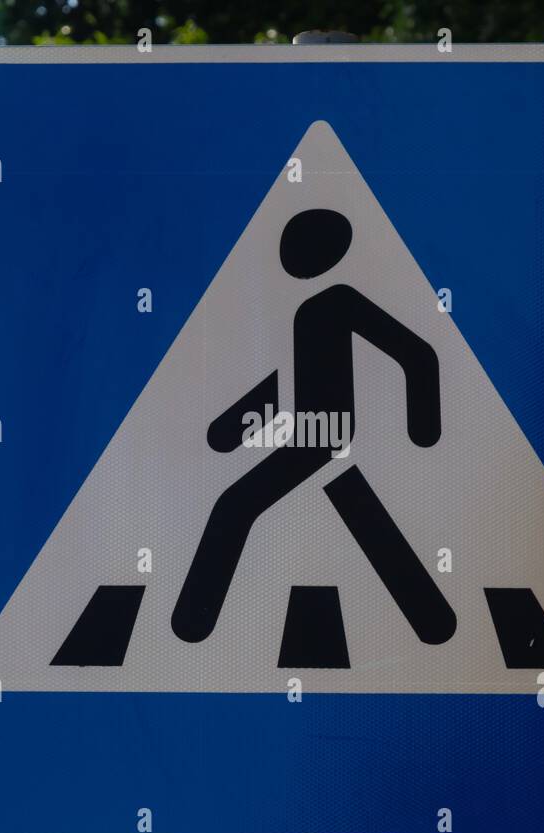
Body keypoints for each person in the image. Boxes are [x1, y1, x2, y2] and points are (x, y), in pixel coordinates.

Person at [172, 208, 455, 647]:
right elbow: (285, 385)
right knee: (360, 513)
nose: (287, 257)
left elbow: (415, 354)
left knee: (235, 506)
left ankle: (191, 624)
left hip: (324, 436)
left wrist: (424, 426)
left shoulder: (338, 301)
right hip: (311, 433)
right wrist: (228, 431)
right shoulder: (304, 312)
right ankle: (435, 622)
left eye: (296, 245)